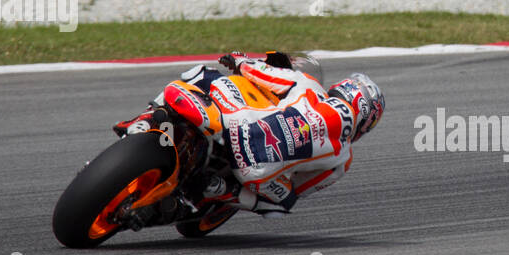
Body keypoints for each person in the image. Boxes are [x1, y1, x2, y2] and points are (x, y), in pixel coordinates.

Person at [113, 51, 384, 217]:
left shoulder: (310, 86)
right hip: (255, 173)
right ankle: (218, 190)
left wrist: (239, 60)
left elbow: (260, 72)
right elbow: (300, 188)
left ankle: (144, 121)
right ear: (365, 124)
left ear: (341, 88)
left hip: (234, 126)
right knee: (283, 205)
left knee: (198, 76)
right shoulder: (343, 160)